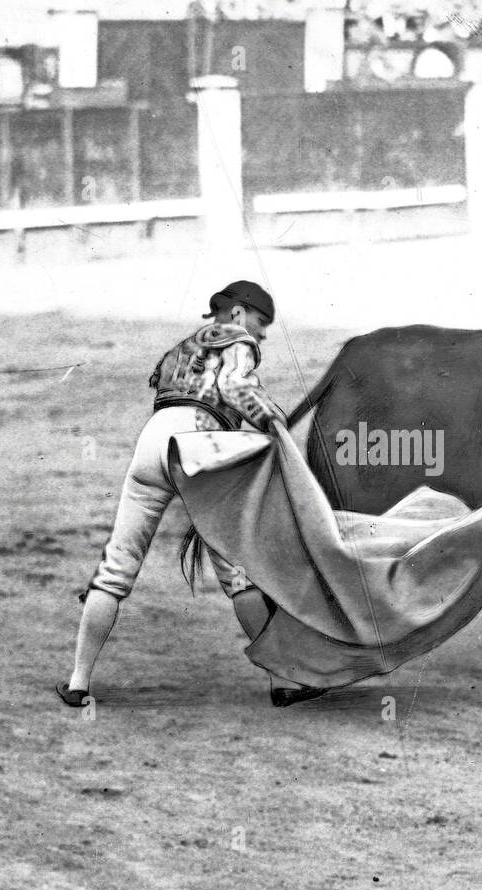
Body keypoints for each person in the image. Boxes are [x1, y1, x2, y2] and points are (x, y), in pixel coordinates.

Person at [57, 280, 327, 709]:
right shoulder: (237, 339)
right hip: (199, 445)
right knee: (238, 573)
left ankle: (78, 681)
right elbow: (237, 388)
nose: (261, 335)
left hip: (152, 443)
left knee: (117, 564)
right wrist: (274, 424)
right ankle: (283, 681)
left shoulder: (183, 346)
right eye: (259, 324)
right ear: (238, 315)